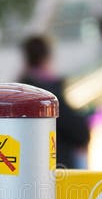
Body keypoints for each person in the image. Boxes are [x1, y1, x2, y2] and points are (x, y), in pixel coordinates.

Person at [21, 35, 90, 168]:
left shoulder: (18, 93)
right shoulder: (51, 94)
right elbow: (80, 133)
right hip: (57, 168)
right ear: (47, 57)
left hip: (27, 169)